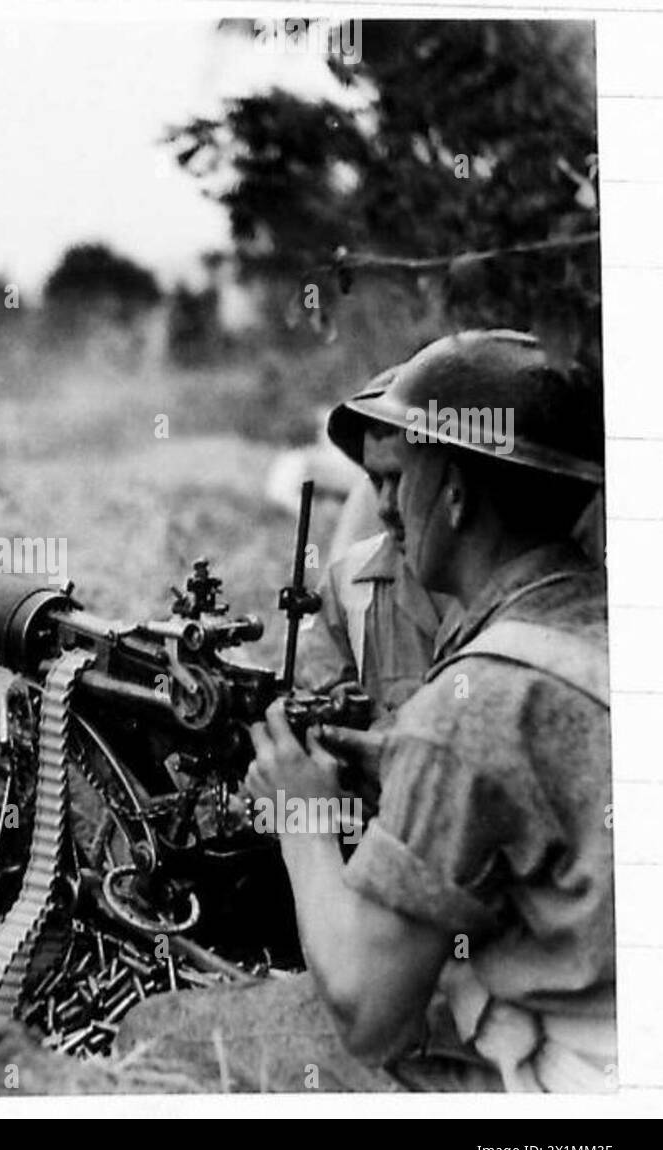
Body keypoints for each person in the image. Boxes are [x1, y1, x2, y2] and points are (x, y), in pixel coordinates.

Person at [119, 330, 612, 1093]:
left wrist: (300, 817)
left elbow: (368, 1015)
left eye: (405, 475)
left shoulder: (473, 703)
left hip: (561, 1085)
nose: (388, 507)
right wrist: (409, 766)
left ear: (453, 492)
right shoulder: (598, 621)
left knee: (151, 1033)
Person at [297, 367, 458, 717]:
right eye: (375, 481)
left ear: (457, 481)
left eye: (401, 479)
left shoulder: (514, 593)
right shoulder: (349, 586)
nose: (384, 506)